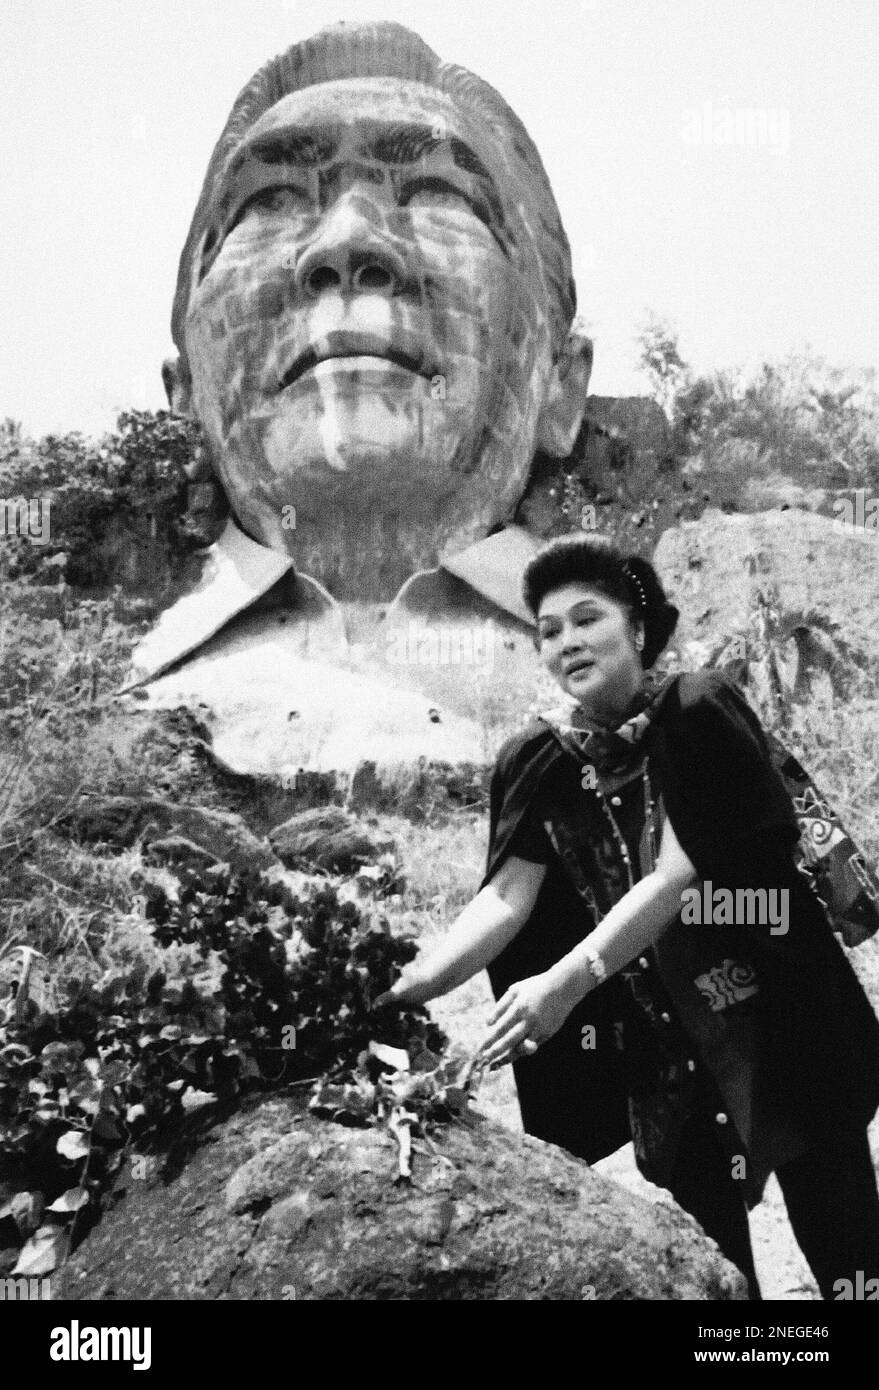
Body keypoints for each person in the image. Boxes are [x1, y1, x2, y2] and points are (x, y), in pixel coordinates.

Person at [375, 532, 879, 1300]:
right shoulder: (540, 759)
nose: (566, 641)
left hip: (776, 1027)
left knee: (849, 1259)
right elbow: (506, 898)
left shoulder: (696, 710)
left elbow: (679, 875)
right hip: (664, 1053)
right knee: (717, 1286)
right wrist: (405, 991)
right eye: (548, 630)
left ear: (638, 629)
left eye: (587, 618)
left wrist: (566, 981)